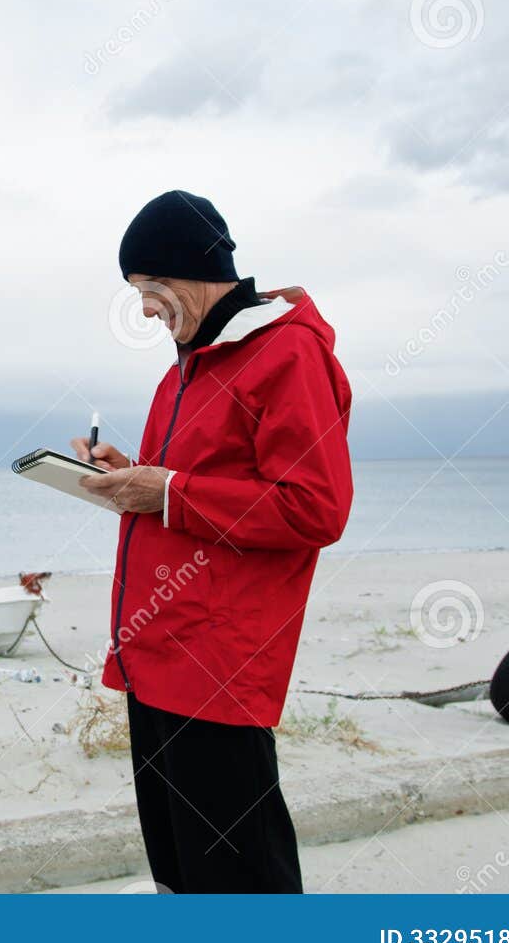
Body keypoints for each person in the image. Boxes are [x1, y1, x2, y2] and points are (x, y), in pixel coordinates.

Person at [72, 189, 353, 893]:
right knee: (179, 870)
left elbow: (315, 507)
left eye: (150, 288)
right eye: (136, 292)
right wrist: (133, 479)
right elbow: (195, 490)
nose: (143, 308)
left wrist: (163, 491)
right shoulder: (186, 366)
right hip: (157, 652)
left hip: (219, 666)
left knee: (239, 879)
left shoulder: (286, 354)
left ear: (195, 271)